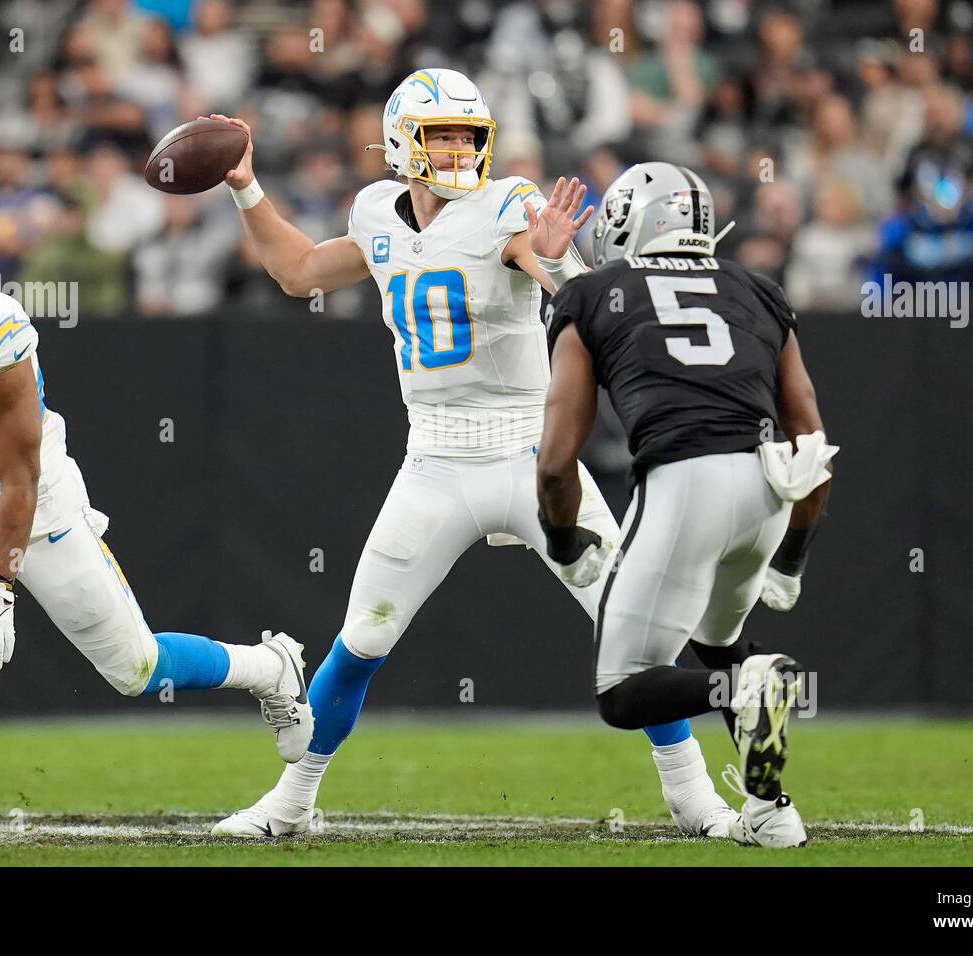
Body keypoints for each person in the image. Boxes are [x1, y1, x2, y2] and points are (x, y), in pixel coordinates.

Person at [210, 68, 735, 840]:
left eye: (467, 136)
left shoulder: (508, 205)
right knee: (361, 641)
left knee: (636, 631)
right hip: (433, 463)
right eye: (442, 135)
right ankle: (291, 802)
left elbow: (581, 299)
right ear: (401, 142)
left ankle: (695, 797)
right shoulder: (372, 211)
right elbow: (299, 272)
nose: (458, 150)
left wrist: (556, 262)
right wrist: (247, 190)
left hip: (532, 456)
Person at [0, 175, 311, 845]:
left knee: (136, 669)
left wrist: (0, 585)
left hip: (39, 512)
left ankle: (270, 667)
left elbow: (20, 477)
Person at [536, 163, 837, 847]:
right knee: (721, 643)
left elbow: (557, 461)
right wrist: (791, 555)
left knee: (621, 691)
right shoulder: (758, 289)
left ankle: (738, 694)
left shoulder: (592, 293)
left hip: (684, 481)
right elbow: (812, 438)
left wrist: (560, 540)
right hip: (767, 487)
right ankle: (771, 813)